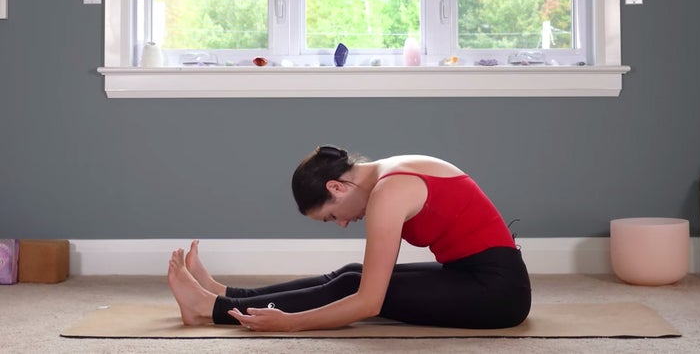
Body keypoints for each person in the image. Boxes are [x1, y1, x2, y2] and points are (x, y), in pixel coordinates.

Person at [166, 145, 531, 332]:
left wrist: (291, 322)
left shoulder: (390, 191)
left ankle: (208, 311)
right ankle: (225, 294)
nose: (342, 224)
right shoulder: (392, 170)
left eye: (331, 217)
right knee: (350, 274)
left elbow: (368, 303)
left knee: (353, 288)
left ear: (337, 187)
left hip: (497, 294)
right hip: (475, 274)